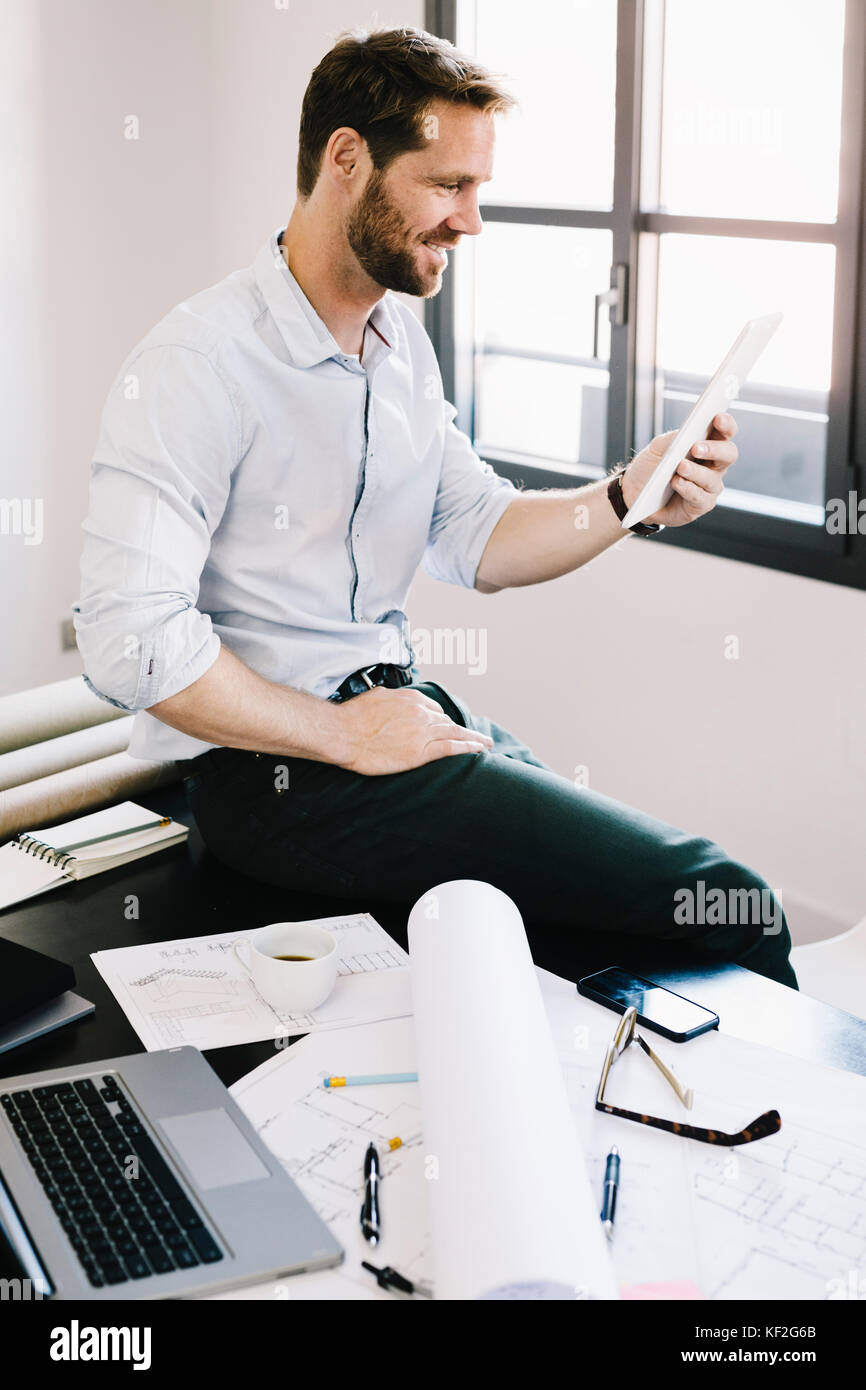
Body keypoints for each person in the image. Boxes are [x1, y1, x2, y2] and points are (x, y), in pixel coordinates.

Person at [74, 26, 796, 988]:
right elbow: (128, 640)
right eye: (449, 185)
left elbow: (476, 535)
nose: (473, 222)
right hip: (278, 773)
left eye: (478, 189)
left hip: (398, 715)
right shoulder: (198, 365)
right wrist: (340, 734)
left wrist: (629, 498)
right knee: (734, 904)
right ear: (347, 160)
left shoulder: (398, 346)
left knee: (622, 933)